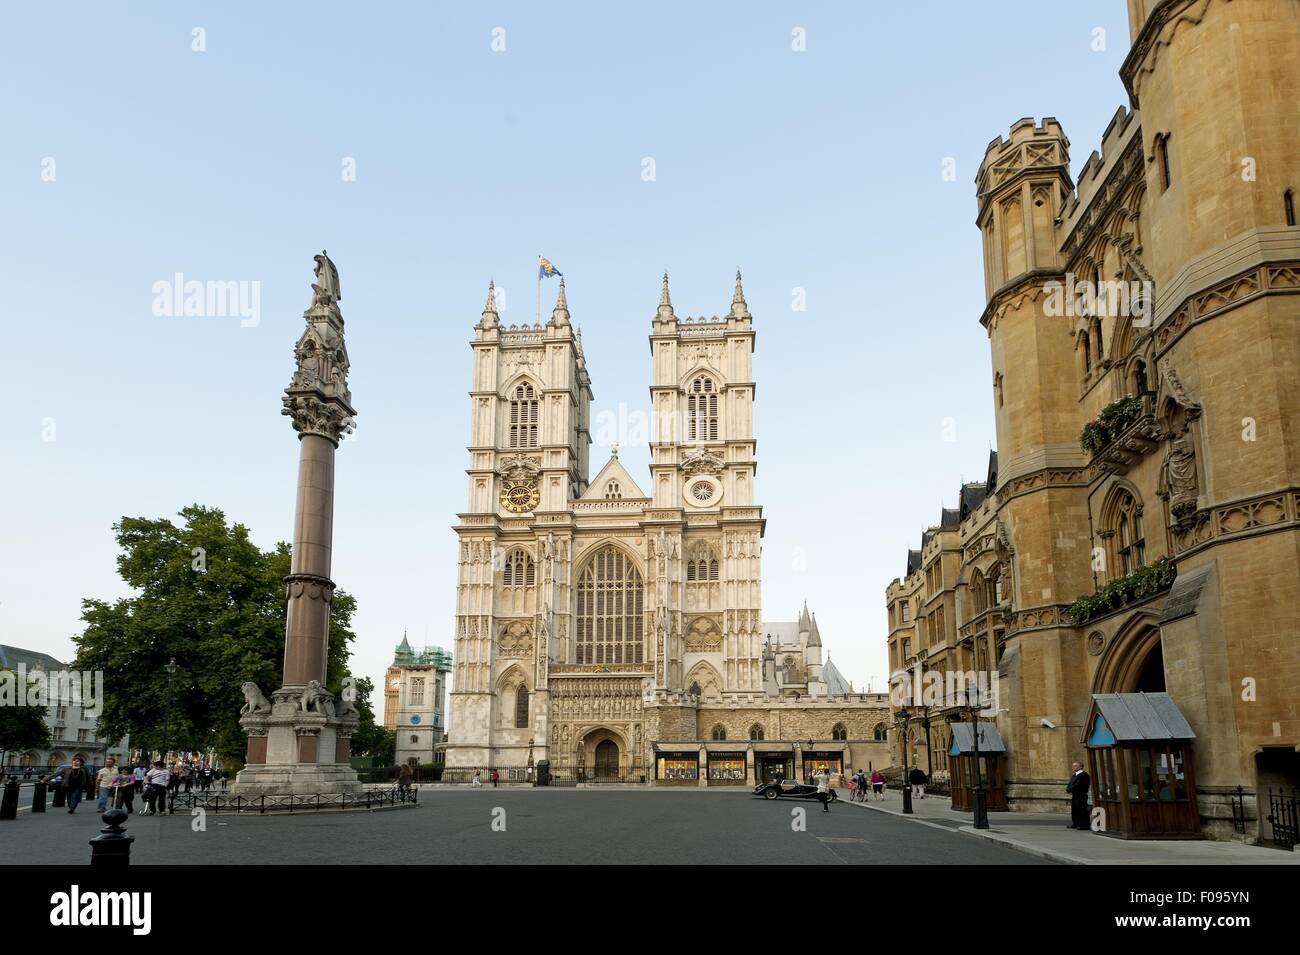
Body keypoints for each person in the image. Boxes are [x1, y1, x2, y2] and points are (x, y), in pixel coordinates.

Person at [1066, 760, 1091, 830]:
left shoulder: (1084, 775)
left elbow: (1078, 784)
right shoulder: (1075, 775)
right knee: (1074, 810)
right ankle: (1076, 823)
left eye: (1076, 765)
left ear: (1081, 767)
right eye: (1073, 765)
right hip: (1075, 795)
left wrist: (1070, 789)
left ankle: (1084, 825)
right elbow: (1070, 783)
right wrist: (1068, 789)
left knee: (1082, 809)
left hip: (1081, 795)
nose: (1074, 767)